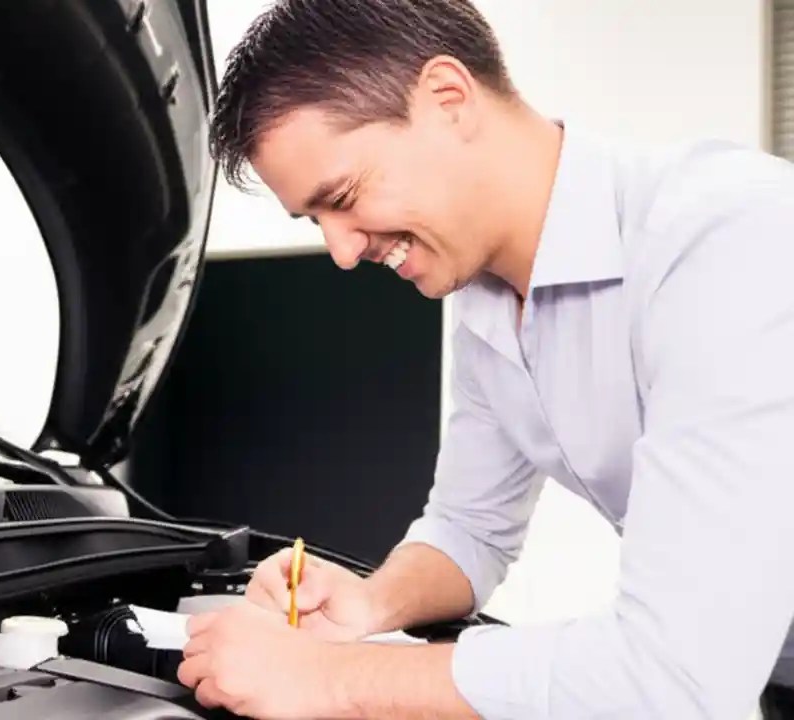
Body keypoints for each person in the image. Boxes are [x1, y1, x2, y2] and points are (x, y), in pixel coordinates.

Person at [173, 1, 794, 718]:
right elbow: (469, 531)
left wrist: (329, 678)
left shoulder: (730, 240)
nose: (341, 252)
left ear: (448, 99)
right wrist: (368, 604)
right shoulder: (485, 300)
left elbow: (670, 678)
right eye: (317, 221)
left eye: (343, 197)